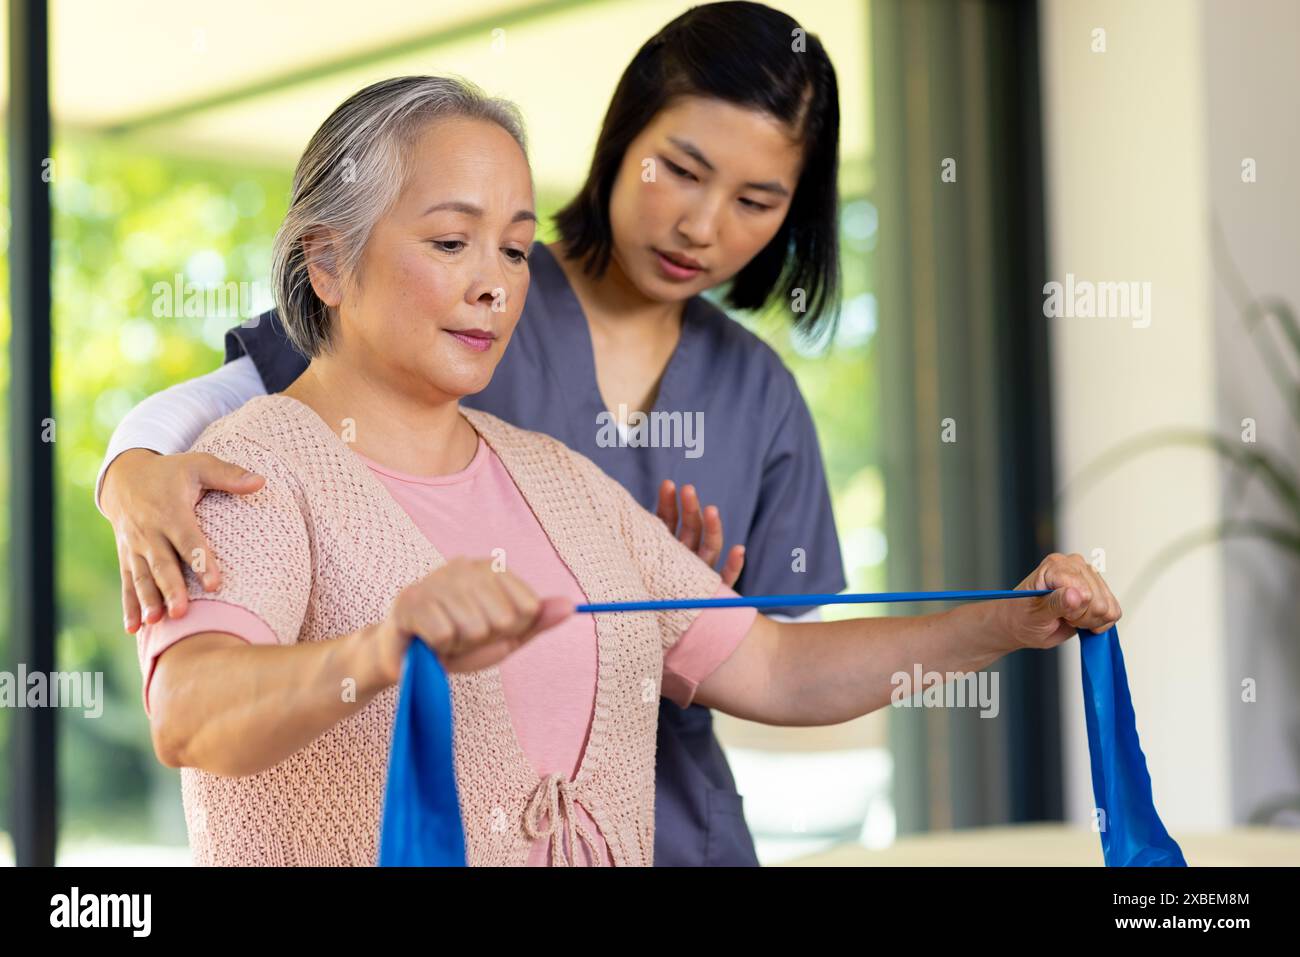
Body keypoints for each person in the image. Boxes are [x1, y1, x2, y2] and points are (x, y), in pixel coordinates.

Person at [136, 75, 1121, 867]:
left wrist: (1007, 621)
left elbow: (774, 669)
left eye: (517, 251)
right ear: (327, 263)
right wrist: (379, 649)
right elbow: (191, 714)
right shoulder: (253, 470)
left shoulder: (559, 481)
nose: (495, 281)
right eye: (450, 242)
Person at [100, 3, 848, 865]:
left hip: (673, 812)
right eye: (679, 171)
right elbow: (246, 400)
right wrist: (130, 468)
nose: (703, 226)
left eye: (758, 200)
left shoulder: (759, 390)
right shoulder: (440, 325)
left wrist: (674, 604)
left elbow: (777, 662)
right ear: (620, 142)